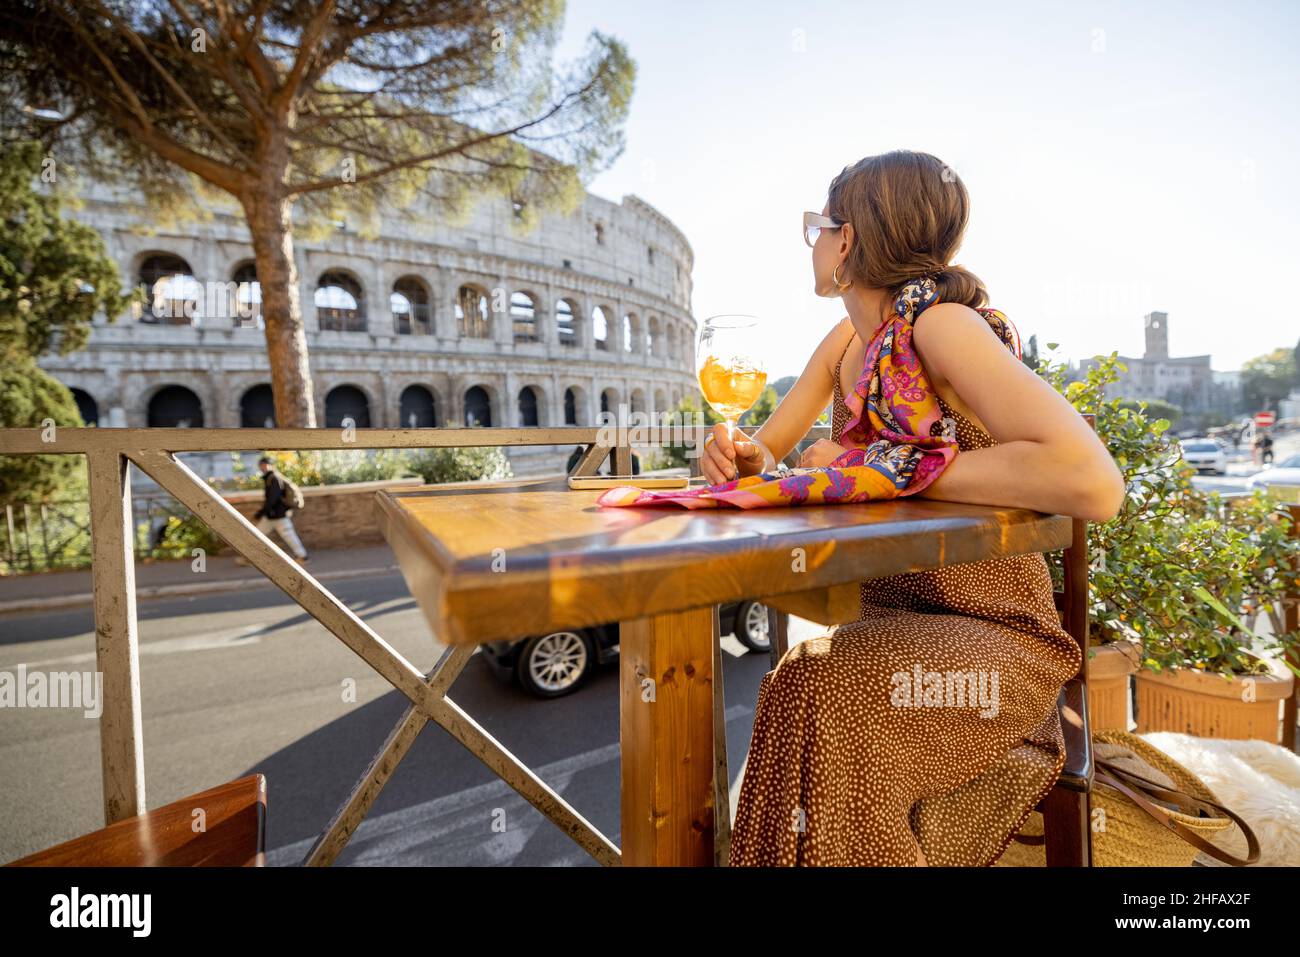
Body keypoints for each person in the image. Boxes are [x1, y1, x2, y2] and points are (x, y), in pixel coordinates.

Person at [709, 150, 1123, 866]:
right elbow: (766, 452)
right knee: (801, 679)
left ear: (850, 241)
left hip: (1002, 644)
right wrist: (735, 455)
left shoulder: (942, 327)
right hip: (892, 626)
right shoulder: (844, 347)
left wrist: (885, 469)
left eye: (819, 224)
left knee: (824, 687)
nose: (812, 241)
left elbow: (1093, 479)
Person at [250, 456, 309, 563]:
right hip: (273, 515)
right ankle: (249, 557)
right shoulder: (270, 478)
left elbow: (272, 499)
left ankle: (302, 557)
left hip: (277, 514)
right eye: (261, 465)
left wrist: (261, 512)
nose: (263, 467)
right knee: (257, 534)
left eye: (265, 465)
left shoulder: (274, 478)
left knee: (288, 535)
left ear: (271, 465)